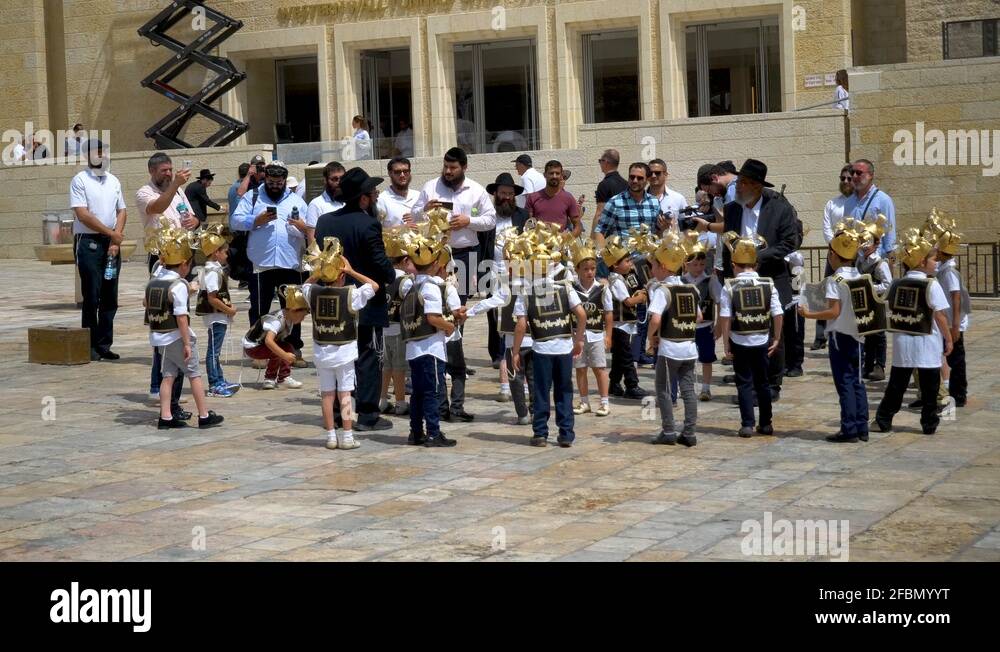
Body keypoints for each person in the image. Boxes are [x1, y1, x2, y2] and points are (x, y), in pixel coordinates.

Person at [694, 159, 799, 401]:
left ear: (757, 186)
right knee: (743, 330)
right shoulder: (733, 209)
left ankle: (772, 384)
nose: (738, 187)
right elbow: (728, 242)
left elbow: (789, 242)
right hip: (739, 280)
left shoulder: (778, 208)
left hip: (770, 276)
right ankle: (748, 384)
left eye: (744, 183)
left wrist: (756, 257)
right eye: (738, 181)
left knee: (773, 332)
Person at [314, 168, 397, 432]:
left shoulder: (325, 222)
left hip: (334, 303)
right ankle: (368, 414)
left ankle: (341, 414)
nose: (375, 197)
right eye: (372, 193)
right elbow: (378, 262)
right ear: (363, 198)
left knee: (340, 361)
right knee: (368, 357)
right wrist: (392, 273)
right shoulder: (368, 223)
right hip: (365, 299)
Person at [798, 222, 873, 443]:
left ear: (833, 254)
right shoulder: (860, 277)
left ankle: (848, 428)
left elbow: (833, 311)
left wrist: (808, 314)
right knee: (858, 381)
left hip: (840, 336)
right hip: (858, 334)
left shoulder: (835, 280)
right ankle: (862, 427)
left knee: (845, 382)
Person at [230, 160, 311, 366]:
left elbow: (308, 228)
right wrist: (255, 220)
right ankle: (259, 351)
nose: (275, 185)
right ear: (265, 179)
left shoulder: (297, 200)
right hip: (260, 263)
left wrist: (302, 227)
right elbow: (235, 220)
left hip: (290, 263)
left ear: (285, 181)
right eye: (272, 182)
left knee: (294, 308)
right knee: (260, 308)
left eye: (279, 182)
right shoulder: (253, 196)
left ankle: (293, 349)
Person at [874, 229, 953, 435]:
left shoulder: (897, 284)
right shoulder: (931, 285)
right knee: (930, 388)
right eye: (933, 259)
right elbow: (940, 315)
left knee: (896, 385)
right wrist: (949, 338)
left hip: (903, 343)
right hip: (927, 343)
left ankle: (883, 419)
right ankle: (928, 424)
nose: (936, 262)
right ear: (921, 262)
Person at [303, 238, 380, 450]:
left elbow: (306, 285)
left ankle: (330, 436)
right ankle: (347, 435)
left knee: (327, 394)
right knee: (345, 394)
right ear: (342, 275)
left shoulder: (313, 293)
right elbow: (373, 286)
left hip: (321, 352)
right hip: (345, 352)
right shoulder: (351, 294)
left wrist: (320, 270)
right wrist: (352, 271)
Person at [144, 226, 224, 430]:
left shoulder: (153, 282)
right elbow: (181, 316)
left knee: (168, 375)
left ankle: (166, 416)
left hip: (159, 337)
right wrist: (187, 343)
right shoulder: (178, 285)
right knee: (194, 374)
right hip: (177, 338)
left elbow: (147, 304)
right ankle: (204, 415)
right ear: (183, 265)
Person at [512, 243, 587, 448]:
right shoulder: (565, 287)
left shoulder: (526, 292)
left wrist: (515, 351)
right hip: (563, 348)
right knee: (564, 391)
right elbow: (581, 314)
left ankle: (540, 434)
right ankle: (566, 434)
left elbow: (520, 325)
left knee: (541, 391)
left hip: (541, 349)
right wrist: (578, 340)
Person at [717, 233, 784, 438]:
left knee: (744, 382)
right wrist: (777, 338)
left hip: (740, 340)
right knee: (763, 382)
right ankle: (766, 423)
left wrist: (726, 342)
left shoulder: (729, 286)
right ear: (755, 264)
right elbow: (778, 313)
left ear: (734, 263)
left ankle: (747, 424)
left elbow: (725, 317)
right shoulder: (768, 284)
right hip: (762, 339)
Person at [412, 147, 497, 303]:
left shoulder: (476, 190)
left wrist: (469, 221)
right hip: (434, 256)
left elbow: (491, 220)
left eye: (453, 167)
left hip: (465, 255)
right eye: (445, 166)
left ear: (464, 167)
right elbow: (414, 216)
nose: (448, 171)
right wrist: (425, 209)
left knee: (459, 302)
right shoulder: (430, 187)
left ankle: (457, 329)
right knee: (434, 300)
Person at [400, 231, 458, 447]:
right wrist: (450, 325)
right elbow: (432, 317)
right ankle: (433, 433)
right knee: (433, 391)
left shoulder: (411, 286)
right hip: (430, 348)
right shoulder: (431, 287)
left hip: (414, 348)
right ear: (434, 264)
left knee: (418, 393)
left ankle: (416, 432)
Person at [70, 139, 126, 362]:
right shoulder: (80, 180)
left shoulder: (113, 180)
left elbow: (122, 211)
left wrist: (115, 238)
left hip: (111, 243)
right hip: (89, 242)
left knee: (109, 295)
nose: (102, 157)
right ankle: (89, 344)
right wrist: (111, 233)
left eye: (104, 153)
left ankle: (104, 344)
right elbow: (82, 214)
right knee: (91, 295)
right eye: (97, 153)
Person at [646, 232, 702, 446]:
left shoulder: (663, 290)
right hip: (689, 348)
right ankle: (689, 432)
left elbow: (656, 318)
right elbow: (698, 317)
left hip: (669, 349)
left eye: (653, 265)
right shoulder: (691, 288)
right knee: (688, 390)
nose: (652, 270)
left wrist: (651, 337)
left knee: (663, 389)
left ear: (663, 266)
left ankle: (669, 431)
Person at [813, 164, 855, 350]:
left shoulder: (859, 203)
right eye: (842, 178)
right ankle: (820, 336)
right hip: (835, 256)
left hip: (855, 257)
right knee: (825, 294)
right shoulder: (832, 204)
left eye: (848, 178)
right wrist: (837, 250)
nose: (845, 181)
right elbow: (826, 228)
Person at [569, 239, 612, 417]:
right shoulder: (571, 288)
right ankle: (584, 401)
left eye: (593, 269)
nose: (589, 272)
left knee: (599, 368)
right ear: (578, 269)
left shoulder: (602, 289)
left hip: (596, 334)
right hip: (577, 336)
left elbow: (609, 313)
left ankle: (604, 402)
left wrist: (608, 335)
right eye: (585, 269)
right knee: (580, 368)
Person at [195, 224, 239, 398]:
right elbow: (212, 298)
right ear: (216, 253)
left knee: (216, 349)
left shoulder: (215, 269)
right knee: (214, 350)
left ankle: (220, 378)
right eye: (224, 251)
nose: (227, 254)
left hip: (218, 316)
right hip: (216, 316)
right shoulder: (212, 272)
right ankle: (214, 383)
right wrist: (229, 310)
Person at [602, 236, 649, 399]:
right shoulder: (616, 281)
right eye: (627, 261)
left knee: (619, 357)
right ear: (615, 265)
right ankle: (631, 385)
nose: (630, 263)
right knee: (627, 356)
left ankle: (614, 384)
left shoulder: (625, 277)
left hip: (626, 324)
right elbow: (628, 301)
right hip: (619, 325)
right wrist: (641, 298)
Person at [930, 217, 970, 408]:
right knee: (952, 357)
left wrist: (954, 325)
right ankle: (955, 392)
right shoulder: (944, 269)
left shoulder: (950, 272)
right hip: (949, 320)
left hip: (955, 322)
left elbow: (956, 297)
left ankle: (959, 394)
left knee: (956, 359)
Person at [242, 286, 309, 389]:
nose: (303, 319)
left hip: (261, 345)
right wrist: (284, 355)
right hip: (253, 347)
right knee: (279, 351)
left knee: (287, 346)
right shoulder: (277, 320)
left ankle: (273, 378)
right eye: (302, 316)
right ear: (293, 310)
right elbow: (269, 341)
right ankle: (279, 378)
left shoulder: (289, 319)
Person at [379, 228, 416, 416]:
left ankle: (383, 399)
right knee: (400, 367)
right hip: (399, 329)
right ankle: (401, 402)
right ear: (404, 261)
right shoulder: (405, 281)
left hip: (383, 328)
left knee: (386, 366)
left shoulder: (381, 276)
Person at [682, 238, 722, 401]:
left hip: (706, 326)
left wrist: (719, 324)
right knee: (685, 359)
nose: (698, 268)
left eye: (701, 264)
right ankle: (685, 387)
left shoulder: (710, 280)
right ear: (686, 264)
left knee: (706, 358)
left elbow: (720, 301)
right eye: (695, 264)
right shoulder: (681, 281)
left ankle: (706, 388)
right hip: (685, 327)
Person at [594, 162, 661, 250]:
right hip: (625, 259)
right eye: (632, 177)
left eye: (640, 178)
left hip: (648, 258)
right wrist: (603, 255)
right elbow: (600, 231)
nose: (635, 181)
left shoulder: (654, 202)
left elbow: (657, 231)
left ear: (647, 180)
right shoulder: (615, 202)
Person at [857, 215, 892, 380]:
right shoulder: (860, 261)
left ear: (876, 243)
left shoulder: (880, 263)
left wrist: (870, 288)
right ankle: (868, 363)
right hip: (865, 303)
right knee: (868, 333)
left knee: (878, 334)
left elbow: (888, 284)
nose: (864, 246)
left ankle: (880, 365)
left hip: (877, 303)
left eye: (868, 242)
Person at [844, 159, 896, 257]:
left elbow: (889, 234)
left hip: (875, 261)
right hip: (853, 260)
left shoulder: (883, 200)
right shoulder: (848, 202)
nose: (854, 176)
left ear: (870, 175)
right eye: (852, 172)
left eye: (859, 173)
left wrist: (890, 260)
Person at [525, 160, 582, 236]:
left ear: (561, 175)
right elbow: (527, 224)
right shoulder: (532, 197)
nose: (554, 176)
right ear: (545, 175)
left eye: (557, 173)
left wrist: (567, 238)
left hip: (560, 245)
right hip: (538, 245)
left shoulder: (568, 198)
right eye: (551, 173)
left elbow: (578, 227)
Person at [306, 161, 346, 246]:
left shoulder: (349, 202)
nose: (338, 182)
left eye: (341, 178)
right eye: (334, 179)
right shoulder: (316, 204)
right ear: (325, 180)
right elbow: (311, 240)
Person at [590, 149, 628, 236]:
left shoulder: (604, 185)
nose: (600, 164)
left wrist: (592, 237)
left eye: (600, 161)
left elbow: (600, 214)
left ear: (606, 162)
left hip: (609, 235)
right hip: (624, 232)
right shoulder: (626, 184)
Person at [376, 157, 419, 228]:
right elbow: (376, 230)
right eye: (397, 172)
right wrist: (400, 229)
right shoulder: (381, 200)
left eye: (405, 171)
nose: (402, 175)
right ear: (390, 173)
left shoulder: (418, 196)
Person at [647, 159, 688, 231]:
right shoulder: (640, 199)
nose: (653, 176)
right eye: (650, 173)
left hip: (670, 241)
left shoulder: (678, 198)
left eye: (657, 173)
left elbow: (687, 227)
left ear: (665, 174)